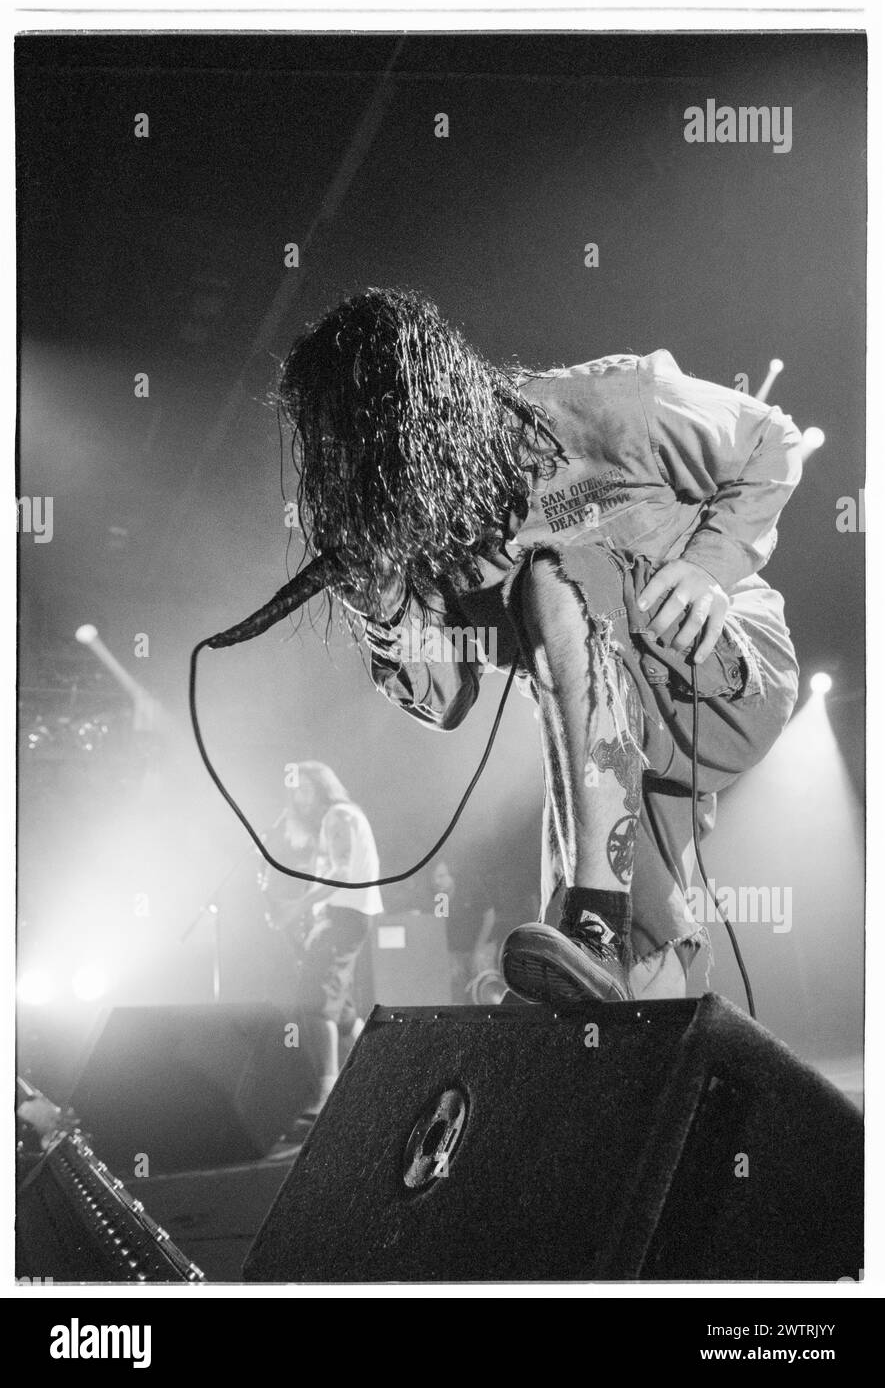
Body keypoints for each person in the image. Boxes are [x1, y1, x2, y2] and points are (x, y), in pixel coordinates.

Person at [276, 289, 802, 1008]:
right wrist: (385, 610)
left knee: (555, 574)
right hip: (610, 748)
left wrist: (711, 566)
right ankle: (639, 1036)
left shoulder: (608, 405)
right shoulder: (425, 530)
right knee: (624, 980)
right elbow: (448, 697)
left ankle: (594, 918)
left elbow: (771, 439)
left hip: (721, 668)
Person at [262, 761, 382, 1131]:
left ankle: (326, 1097)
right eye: (294, 791)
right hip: (340, 915)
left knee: (315, 1006)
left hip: (344, 916)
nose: (298, 798)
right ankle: (385, 1066)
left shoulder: (339, 816)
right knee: (341, 1010)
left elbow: (343, 874)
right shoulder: (335, 819)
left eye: (304, 789)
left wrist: (297, 908)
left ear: (321, 787)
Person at [428, 858, 497, 998]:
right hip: (457, 951)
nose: (436, 881)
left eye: (441, 876)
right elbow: (440, 929)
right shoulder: (439, 897)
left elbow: (490, 916)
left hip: (483, 945)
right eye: (434, 878)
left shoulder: (470, 887)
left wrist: (478, 950)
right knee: (456, 988)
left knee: (484, 988)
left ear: (451, 876)